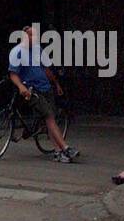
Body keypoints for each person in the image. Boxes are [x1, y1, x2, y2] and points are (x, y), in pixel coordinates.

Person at [7, 24, 79, 163]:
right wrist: (21, 87)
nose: (32, 38)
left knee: (49, 119)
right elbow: (13, 74)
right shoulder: (17, 52)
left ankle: (57, 152)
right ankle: (65, 147)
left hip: (46, 87)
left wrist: (56, 83)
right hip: (32, 90)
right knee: (49, 116)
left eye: (34, 36)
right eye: (29, 35)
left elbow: (45, 68)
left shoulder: (37, 50)